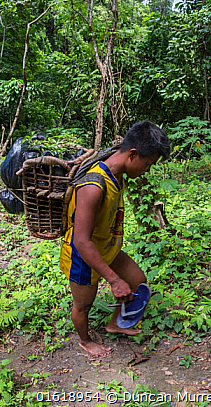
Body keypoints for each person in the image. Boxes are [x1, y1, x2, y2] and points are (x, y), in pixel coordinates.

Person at [59, 121, 170, 357]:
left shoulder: (117, 173)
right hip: (83, 257)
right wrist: (114, 280)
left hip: (107, 248)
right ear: (132, 154)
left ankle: (115, 323)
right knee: (83, 306)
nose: (147, 170)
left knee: (138, 281)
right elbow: (81, 241)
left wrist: (118, 278)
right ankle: (85, 341)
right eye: (148, 164)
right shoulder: (93, 186)